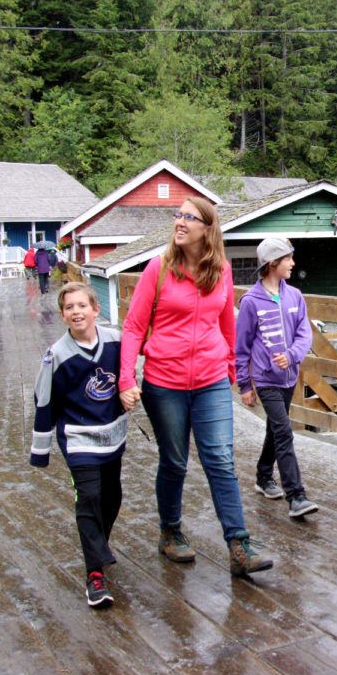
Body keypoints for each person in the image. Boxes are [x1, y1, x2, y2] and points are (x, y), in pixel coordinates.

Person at [118, 196, 273, 577]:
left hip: (211, 381)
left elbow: (226, 326)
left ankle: (239, 545)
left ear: (208, 228)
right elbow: (134, 327)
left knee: (220, 459)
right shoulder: (158, 268)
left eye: (189, 217)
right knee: (174, 461)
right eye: (178, 215)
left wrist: (235, 371)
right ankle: (170, 532)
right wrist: (126, 378)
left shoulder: (219, 269)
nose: (180, 222)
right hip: (164, 382)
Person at [31, 282, 129, 608]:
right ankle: (95, 575)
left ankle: (97, 543)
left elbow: (128, 374)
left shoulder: (116, 341)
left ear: (95, 309)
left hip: (113, 434)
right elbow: (44, 401)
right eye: (69, 307)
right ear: (62, 315)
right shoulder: (57, 356)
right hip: (78, 439)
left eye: (82, 305)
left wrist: (132, 389)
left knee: (112, 495)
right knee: (88, 497)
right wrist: (40, 449)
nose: (77, 311)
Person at [236, 238, 319, 518]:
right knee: (284, 431)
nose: (293, 264)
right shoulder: (250, 302)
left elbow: (304, 334)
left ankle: (262, 476)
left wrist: (293, 355)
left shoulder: (295, 296)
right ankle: (296, 496)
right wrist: (245, 385)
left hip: (289, 377)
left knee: (276, 428)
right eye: (288, 259)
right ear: (273, 263)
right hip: (265, 379)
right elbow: (242, 347)